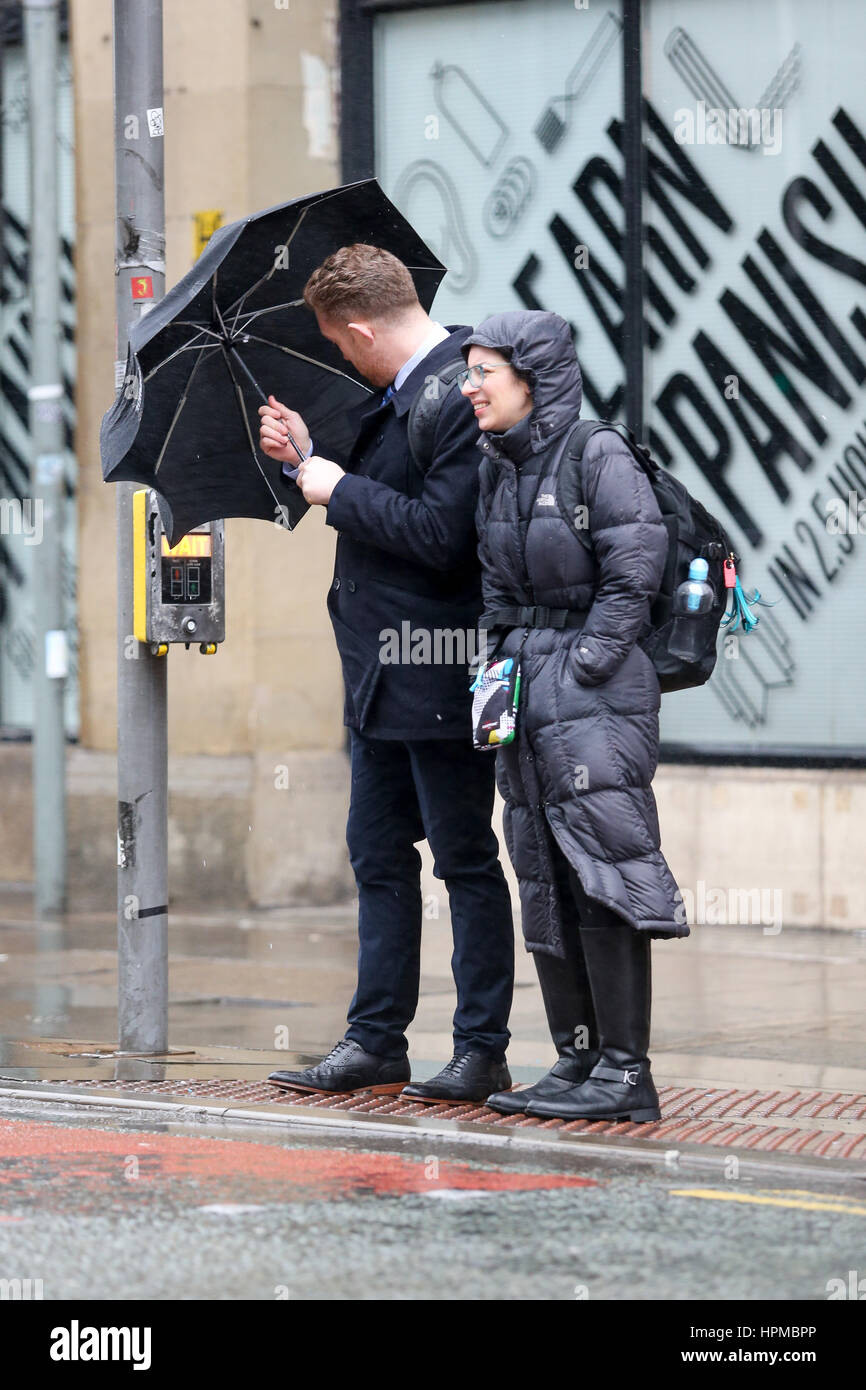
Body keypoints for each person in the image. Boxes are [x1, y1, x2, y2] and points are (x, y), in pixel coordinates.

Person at [257, 245, 514, 1105]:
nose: (340, 357)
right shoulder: (403, 393)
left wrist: (331, 487)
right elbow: (388, 497)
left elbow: (446, 538)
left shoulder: (463, 390)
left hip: (440, 670)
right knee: (377, 853)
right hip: (378, 677)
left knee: (465, 859)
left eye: (338, 343)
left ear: (362, 327)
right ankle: (377, 1040)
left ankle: (481, 1049)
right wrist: (305, 459)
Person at [457, 309, 687, 1123]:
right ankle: (576, 1058)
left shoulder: (596, 453)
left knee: (604, 868)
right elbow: (493, 584)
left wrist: (584, 666)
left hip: (595, 694)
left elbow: (635, 575)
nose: (469, 386)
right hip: (526, 689)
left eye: (484, 371)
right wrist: (500, 660)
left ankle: (627, 1074)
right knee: (544, 871)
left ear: (534, 377)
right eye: (468, 371)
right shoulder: (499, 468)